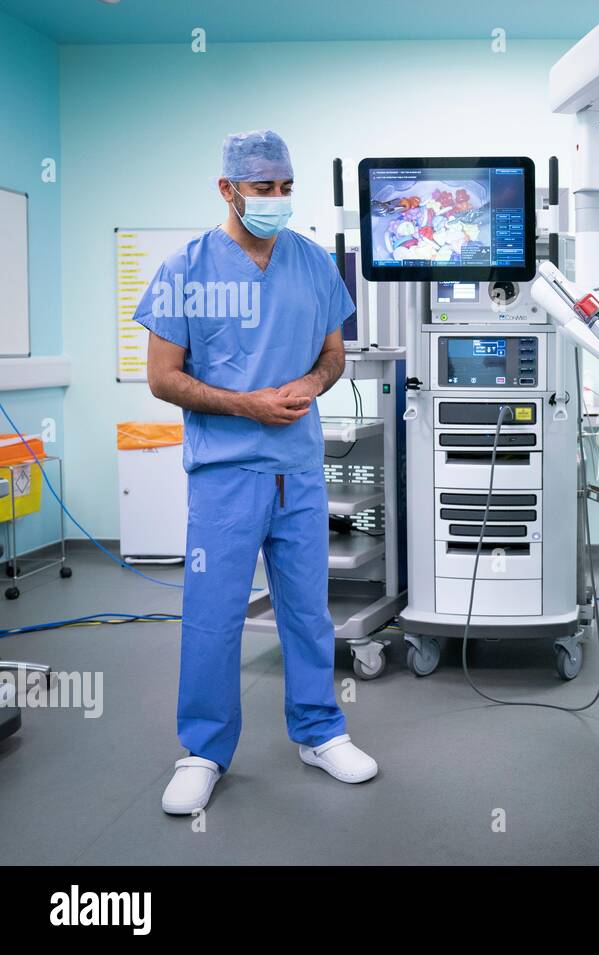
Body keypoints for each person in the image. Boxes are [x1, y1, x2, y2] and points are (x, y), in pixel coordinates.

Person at [135, 129, 378, 815]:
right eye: (263, 187)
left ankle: (320, 731)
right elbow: (161, 378)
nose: (276, 199)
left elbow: (333, 356)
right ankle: (204, 749)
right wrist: (248, 404)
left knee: (308, 612)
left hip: (297, 474)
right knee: (214, 619)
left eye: (285, 186)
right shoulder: (184, 269)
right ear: (228, 189)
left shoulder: (310, 263)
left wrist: (311, 382)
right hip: (225, 477)